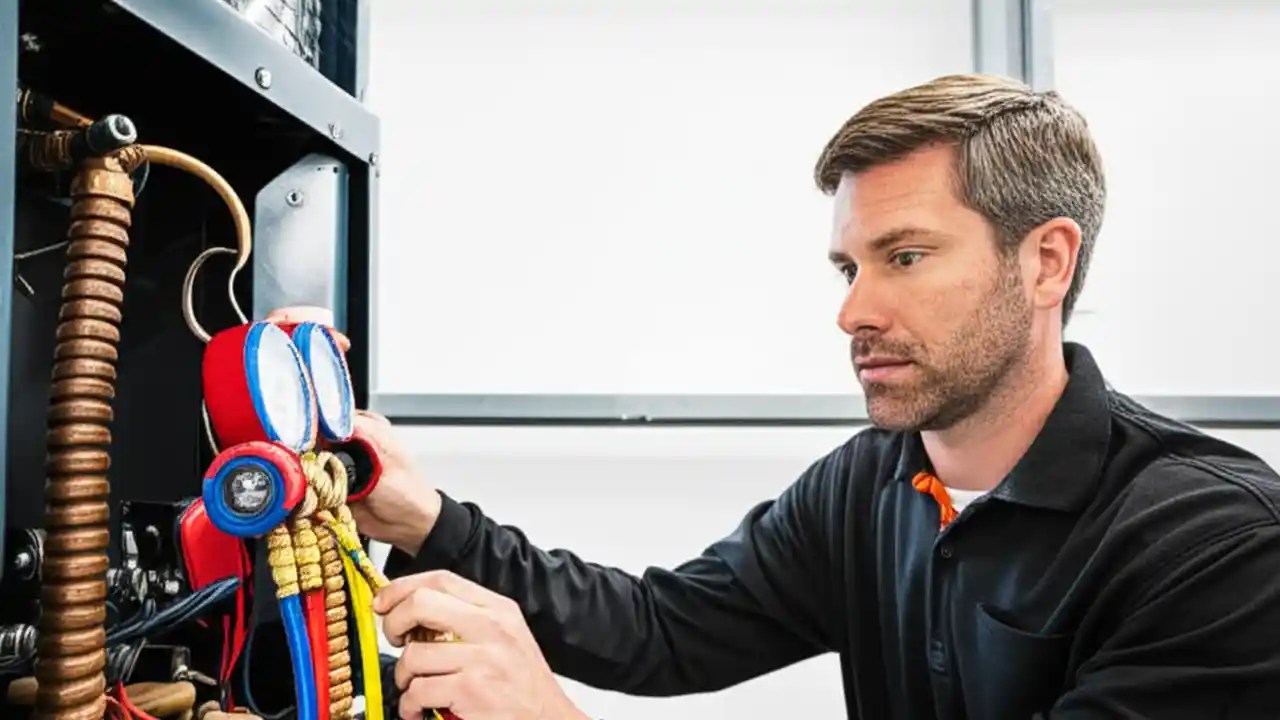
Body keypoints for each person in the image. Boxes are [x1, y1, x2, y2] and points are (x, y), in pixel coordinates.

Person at [278, 73, 1280, 719]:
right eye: (848, 268)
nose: (854, 312)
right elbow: (659, 629)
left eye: (905, 256)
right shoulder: (872, 485)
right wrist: (426, 519)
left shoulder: (1212, 544)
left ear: (1044, 262)